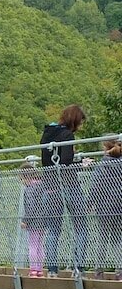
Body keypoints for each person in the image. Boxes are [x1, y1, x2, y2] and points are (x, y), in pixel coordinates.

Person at [40, 104, 90, 275]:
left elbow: (50, 162)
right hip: (69, 186)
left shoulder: (47, 135)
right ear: (74, 120)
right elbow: (66, 163)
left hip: (50, 187)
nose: (80, 127)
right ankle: (78, 266)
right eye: (80, 123)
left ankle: (52, 269)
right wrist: (81, 164)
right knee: (82, 226)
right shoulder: (67, 135)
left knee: (53, 230)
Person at [89, 139, 122, 280]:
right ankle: (120, 271)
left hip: (104, 207)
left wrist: (90, 202)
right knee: (118, 239)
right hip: (119, 206)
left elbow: (96, 185)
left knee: (102, 239)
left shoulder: (103, 164)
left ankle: (99, 271)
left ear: (105, 147)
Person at [20, 163, 49, 277]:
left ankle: (33, 269)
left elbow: (30, 206)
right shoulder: (42, 186)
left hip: (33, 221)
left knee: (32, 245)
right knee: (40, 244)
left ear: (26, 177)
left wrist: (25, 220)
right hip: (43, 219)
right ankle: (40, 269)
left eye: (22, 179)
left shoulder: (30, 189)